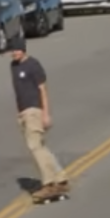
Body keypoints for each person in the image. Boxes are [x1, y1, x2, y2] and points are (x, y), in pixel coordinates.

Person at [9, 35, 69, 198]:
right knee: (40, 147)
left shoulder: (33, 65)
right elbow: (18, 92)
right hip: (23, 112)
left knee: (34, 146)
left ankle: (49, 182)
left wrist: (46, 114)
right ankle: (60, 178)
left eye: (17, 50)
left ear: (23, 49)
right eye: (12, 50)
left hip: (35, 110)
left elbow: (42, 89)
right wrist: (19, 112)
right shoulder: (13, 67)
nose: (14, 53)